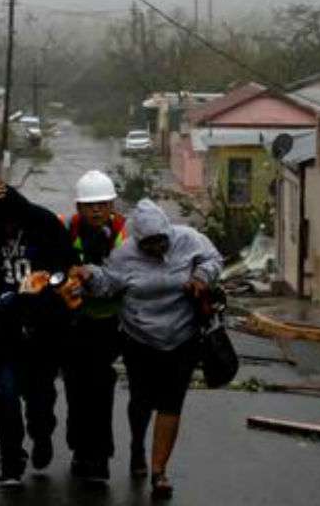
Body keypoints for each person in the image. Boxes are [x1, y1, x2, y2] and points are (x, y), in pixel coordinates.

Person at [73, 199, 221, 500]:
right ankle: (137, 444)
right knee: (141, 399)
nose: (156, 248)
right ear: (138, 240)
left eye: (160, 241)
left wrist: (201, 277)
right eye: (149, 244)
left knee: (171, 402)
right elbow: (107, 285)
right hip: (139, 338)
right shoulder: (124, 255)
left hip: (183, 335)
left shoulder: (190, 240)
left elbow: (213, 259)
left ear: (169, 232)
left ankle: (159, 471)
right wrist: (88, 275)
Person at [0, 175, 74, 490]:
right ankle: (11, 461)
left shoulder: (43, 224)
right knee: (4, 393)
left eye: (9, 221)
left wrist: (47, 284)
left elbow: (67, 265)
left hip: (43, 326)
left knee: (40, 394)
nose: (6, 227)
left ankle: (42, 433)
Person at [60, 170, 127, 483]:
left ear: (112, 203)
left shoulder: (124, 234)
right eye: (90, 205)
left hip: (109, 324)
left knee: (100, 387)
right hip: (73, 324)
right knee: (75, 387)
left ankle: (100, 456)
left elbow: (128, 278)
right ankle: (79, 448)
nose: (97, 210)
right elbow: (50, 271)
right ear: (78, 208)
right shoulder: (67, 230)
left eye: (102, 204)